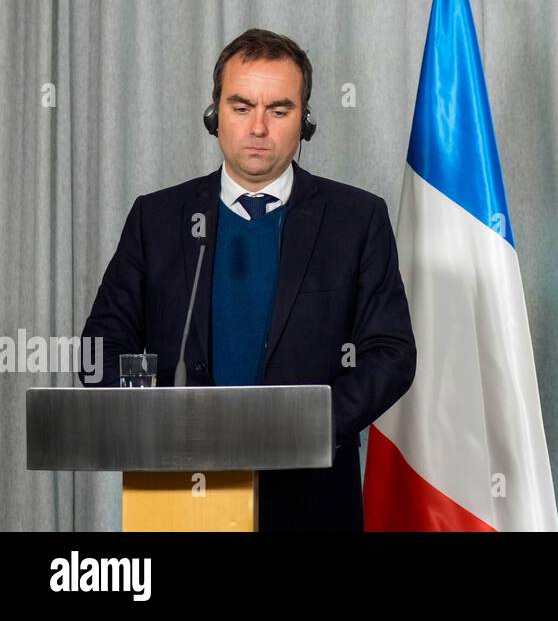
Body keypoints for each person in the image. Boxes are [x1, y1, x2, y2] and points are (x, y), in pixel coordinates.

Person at [79, 28, 417, 531]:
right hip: (180, 493)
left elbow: (392, 354)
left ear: (306, 122)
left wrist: (311, 424)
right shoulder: (157, 218)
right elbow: (99, 347)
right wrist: (151, 421)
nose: (258, 127)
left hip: (311, 496)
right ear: (214, 117)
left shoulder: (357, 218)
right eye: (241, 108)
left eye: (279, 110)